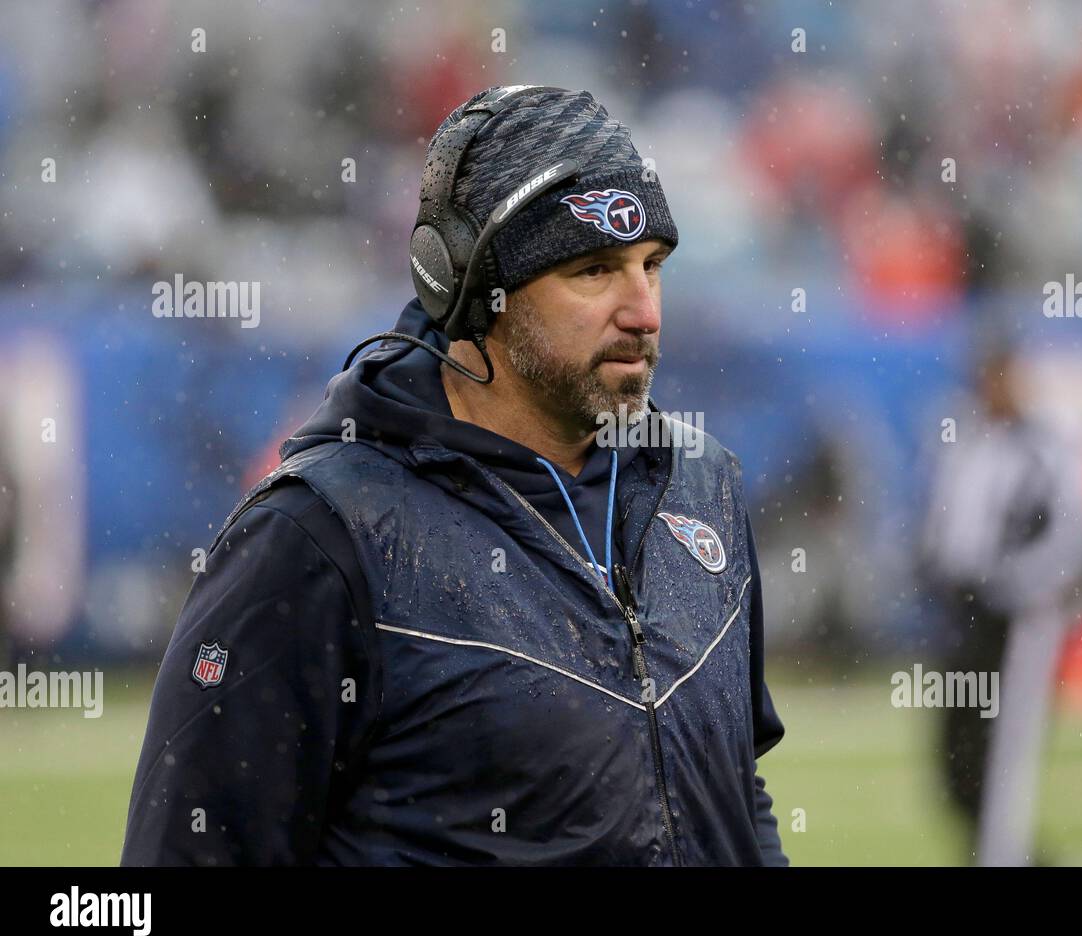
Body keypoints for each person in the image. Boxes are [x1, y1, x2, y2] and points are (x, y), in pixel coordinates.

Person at [120, 85, 788, 866]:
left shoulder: (698, 485)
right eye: (594, 270)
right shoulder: (318, 539)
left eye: (652, 265)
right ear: (473, 289)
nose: (643, 310)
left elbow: (734, 791)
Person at [919, 342, 1082, 866]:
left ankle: (1004, 859)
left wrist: (1012, 584)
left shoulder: (1048, 444)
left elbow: (1072, 537)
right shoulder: (965, 436)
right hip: (963, 620)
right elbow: (948, 528)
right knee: (956, 770)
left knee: (1001, 770)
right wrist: (944, 573)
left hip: (1017, 622)